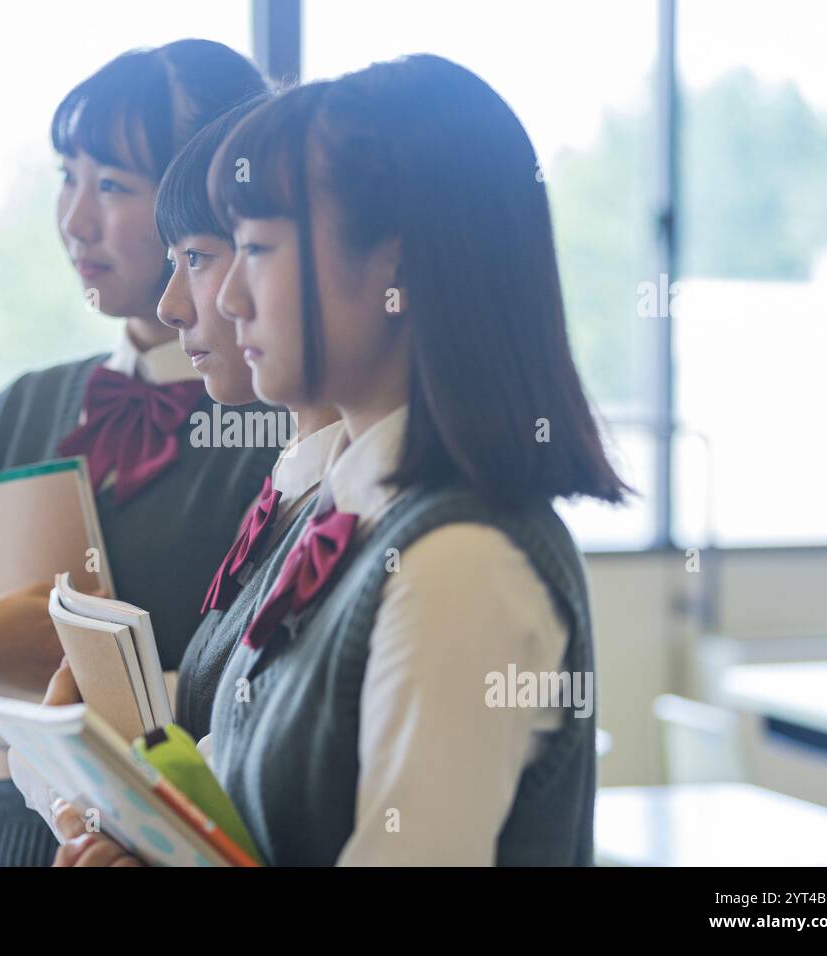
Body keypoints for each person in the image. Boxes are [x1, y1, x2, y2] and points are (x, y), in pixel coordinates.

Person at [52, 54, 630, 867]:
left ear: (395, 261)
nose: (224, 299)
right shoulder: (358, 511)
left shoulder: (461, 560)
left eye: (255, 248)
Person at [0, 39, 276, 867]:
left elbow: (261, 703)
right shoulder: (26, 404)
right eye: (67, 177)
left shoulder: (279, 427)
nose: (75, 220)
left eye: (113, 186)